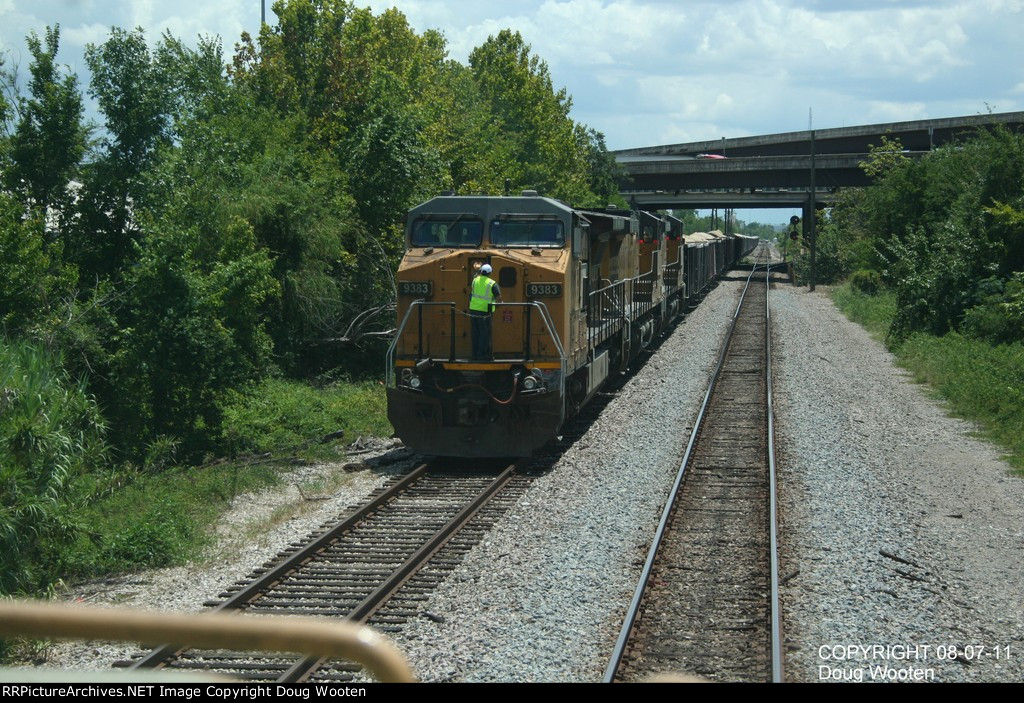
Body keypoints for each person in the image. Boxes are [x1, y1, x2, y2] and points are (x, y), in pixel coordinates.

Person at [469, 263, 501, 360]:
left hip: (473, 310)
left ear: (481, 271)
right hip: (484, 311)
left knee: (475, 333)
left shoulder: (474, 280)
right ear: (490, 273)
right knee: (484, 334)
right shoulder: (492, 283)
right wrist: (497, 306)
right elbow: (499, 298)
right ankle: (482, 356)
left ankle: (474, 355)